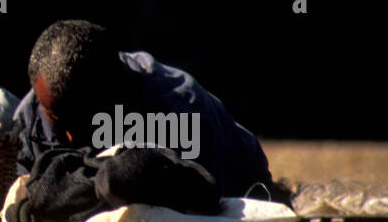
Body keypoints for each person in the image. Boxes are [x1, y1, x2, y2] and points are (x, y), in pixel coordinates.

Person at [14, 20, 272, 197]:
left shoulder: (179, 113)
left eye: (84, 119)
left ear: (115, 91)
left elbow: (207, 204)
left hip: (240, 185)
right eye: (57, 119)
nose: (71, 137)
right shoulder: (32, 116)